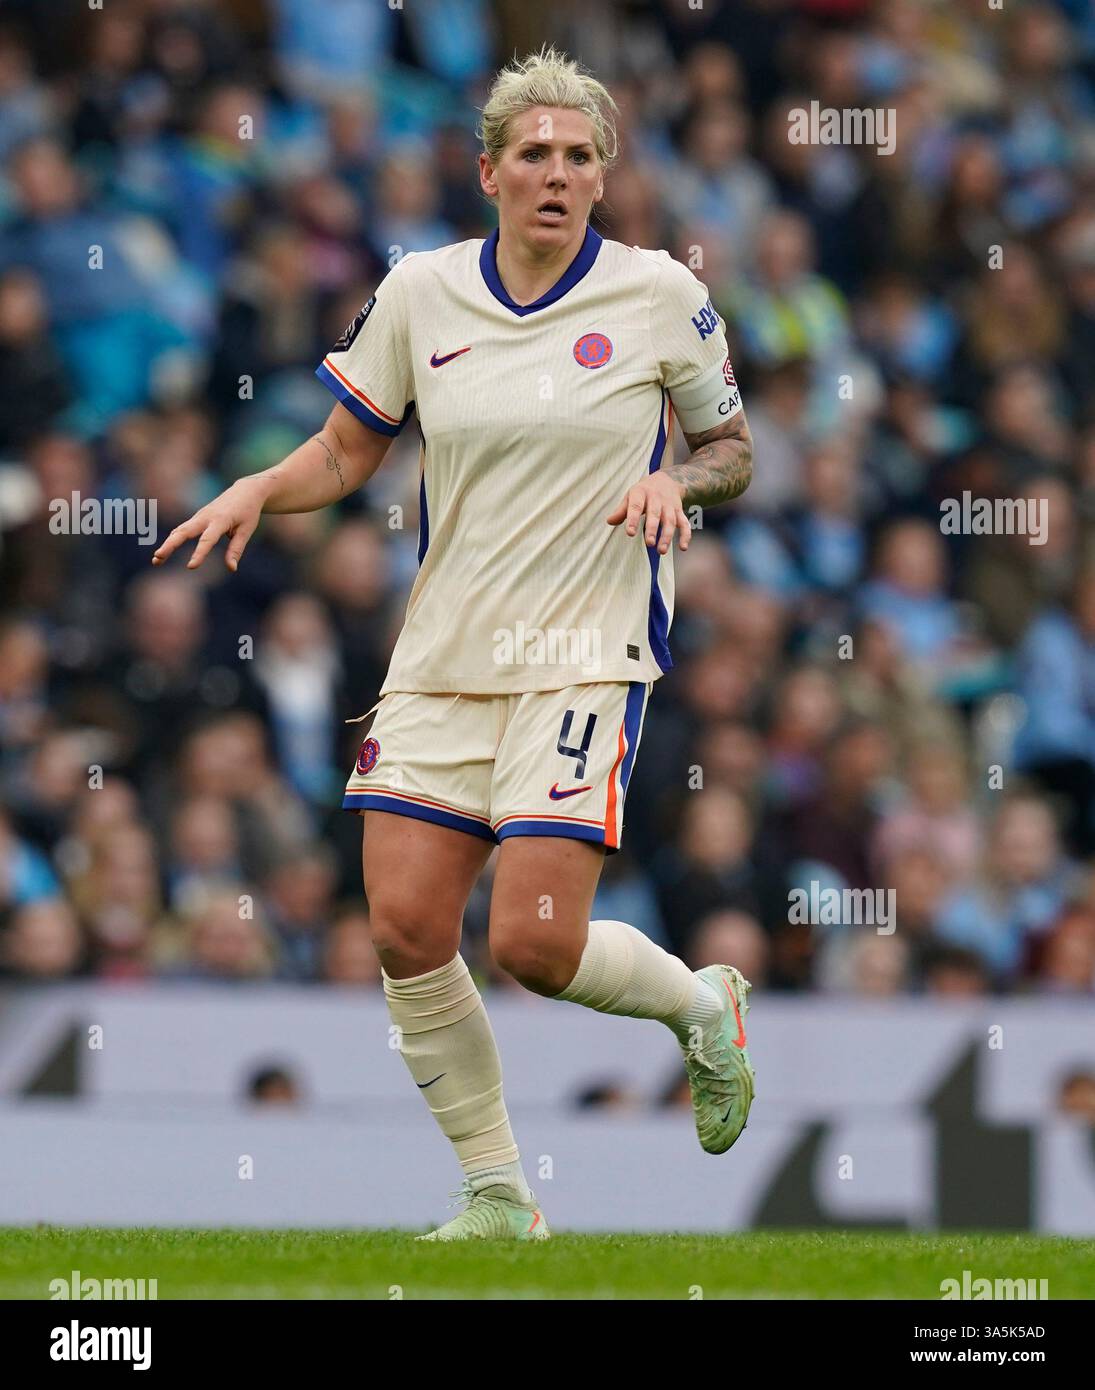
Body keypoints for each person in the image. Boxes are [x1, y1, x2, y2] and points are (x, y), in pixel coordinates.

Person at [152, 47, 756, 1241]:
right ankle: (498, 1194)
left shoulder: (656, 294)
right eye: (533, 153)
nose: (556, 174)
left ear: (603, 178)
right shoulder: (420, 291)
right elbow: (347, 448)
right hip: (442, 658)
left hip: (583, 653)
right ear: (489, 172)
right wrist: (259, 487)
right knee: (405, 929)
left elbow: (732, 448)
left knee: (533, 942)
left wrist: (678, 482)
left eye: (578, 157)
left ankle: (700, 1007)